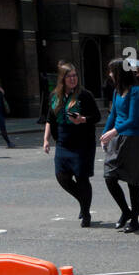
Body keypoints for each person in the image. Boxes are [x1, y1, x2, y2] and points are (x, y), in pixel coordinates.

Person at [42, 63, 100, 227]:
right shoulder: (55, 96)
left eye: (75, 75)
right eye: (69, 76)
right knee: (62, 177)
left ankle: (86, 213)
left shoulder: (84, 95)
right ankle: (84, 202)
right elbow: (49, 119)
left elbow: (96, 117)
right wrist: (46, 140)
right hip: (63, 143)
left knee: (82, 179)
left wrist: (82, 119)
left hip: (83, 144)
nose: (73, 79)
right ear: (63, 78)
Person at [100, 58, 139, 233]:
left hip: (133, 139)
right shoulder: (117, 91)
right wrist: (105, 133)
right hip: (117, 137)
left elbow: (134, 119)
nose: (110, 74)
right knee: (109, 176)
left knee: (132, 182)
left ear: (120, 72)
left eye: (112, 71)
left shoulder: (136, 91)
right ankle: (126, 211)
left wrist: (114, 131)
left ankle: (134, 220)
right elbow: (113, 115)